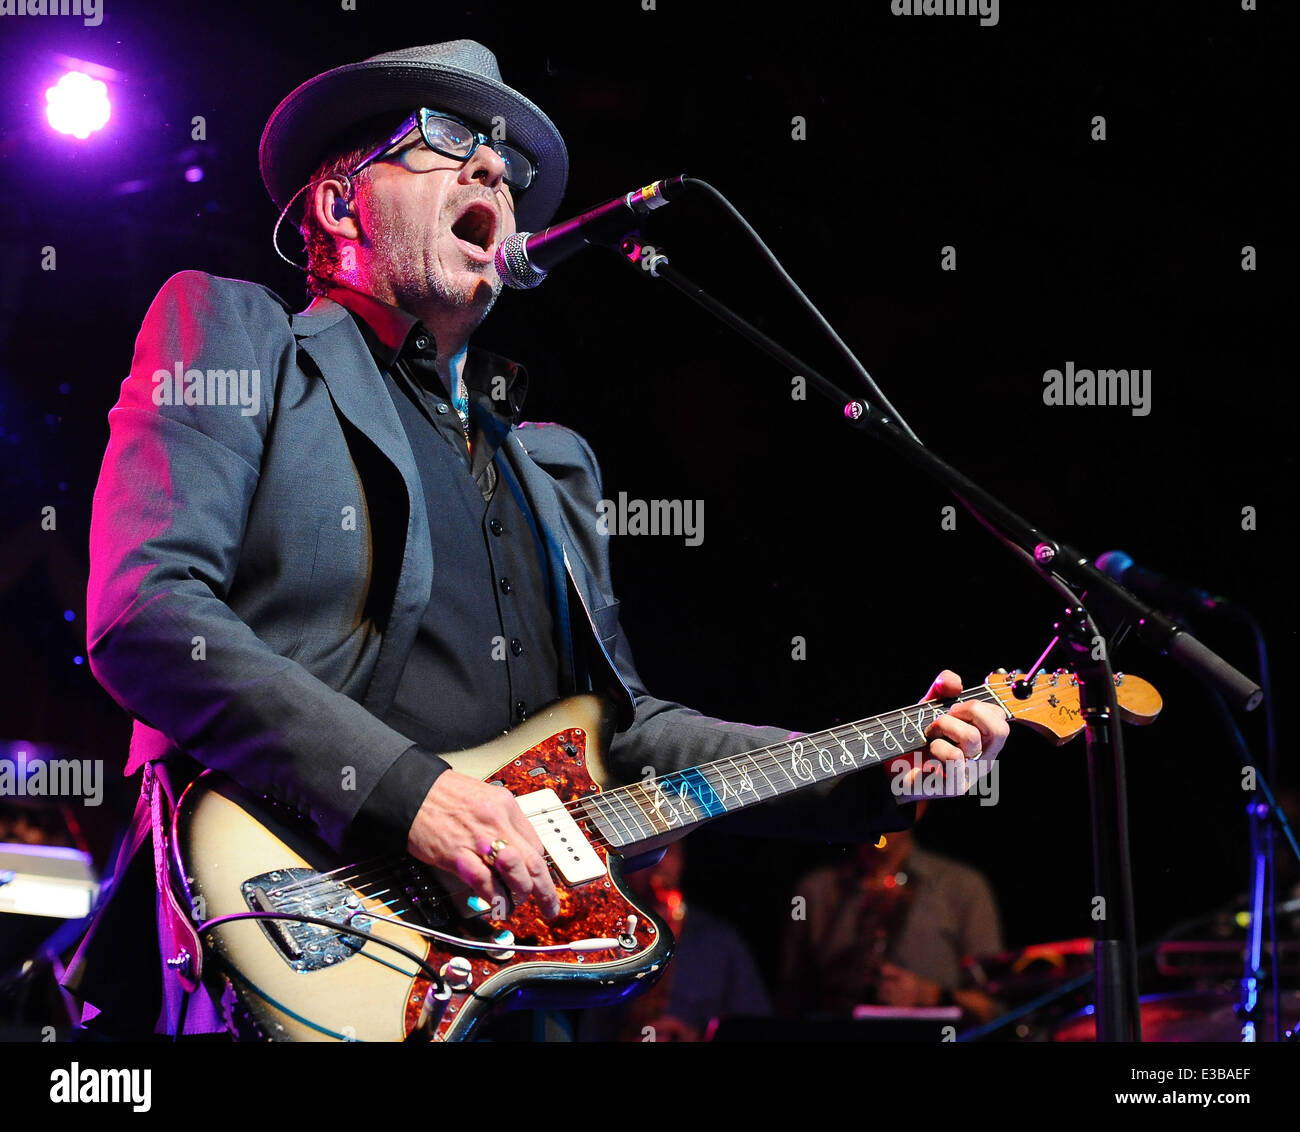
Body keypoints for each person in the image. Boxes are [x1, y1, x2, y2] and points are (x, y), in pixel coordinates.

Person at [62, 39, 1010, 1039]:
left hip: (504, 974)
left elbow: (621, 735)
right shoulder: (238, 334)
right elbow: (148, 611)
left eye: (506, 169)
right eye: (443, 139)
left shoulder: (551, 465)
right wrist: (406, 793)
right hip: (292, 926)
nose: (491, 171)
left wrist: (878, 763)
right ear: (339, 206)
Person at [779, 811, 1003, 1024]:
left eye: (889, 795)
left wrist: (928, 994)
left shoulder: (963, 887)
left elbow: (993, 1008)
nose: (877, 813)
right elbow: (788, 1002)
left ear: (919, 803)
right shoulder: (814, 890)